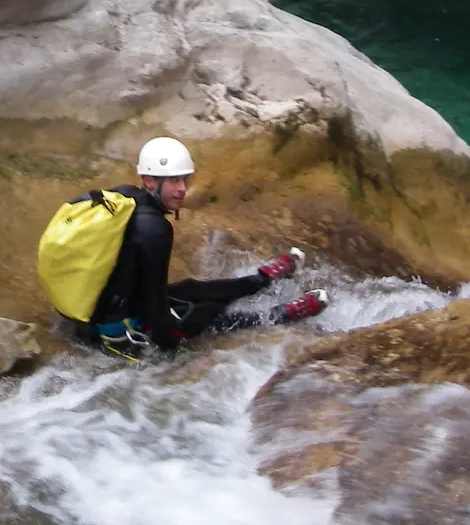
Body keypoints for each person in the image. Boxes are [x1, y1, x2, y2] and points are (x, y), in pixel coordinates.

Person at [81, 136, 329, 358]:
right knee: (207, 313)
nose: (182, 189)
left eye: (184, 179)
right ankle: (283, 314)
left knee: (191, 288)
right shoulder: (155, 230)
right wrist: (171, 349)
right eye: (173, 181)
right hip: (119, 330)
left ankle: (261, 280)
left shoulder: (125, 196)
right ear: (148, 180)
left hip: (107, 310)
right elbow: (157, 308)